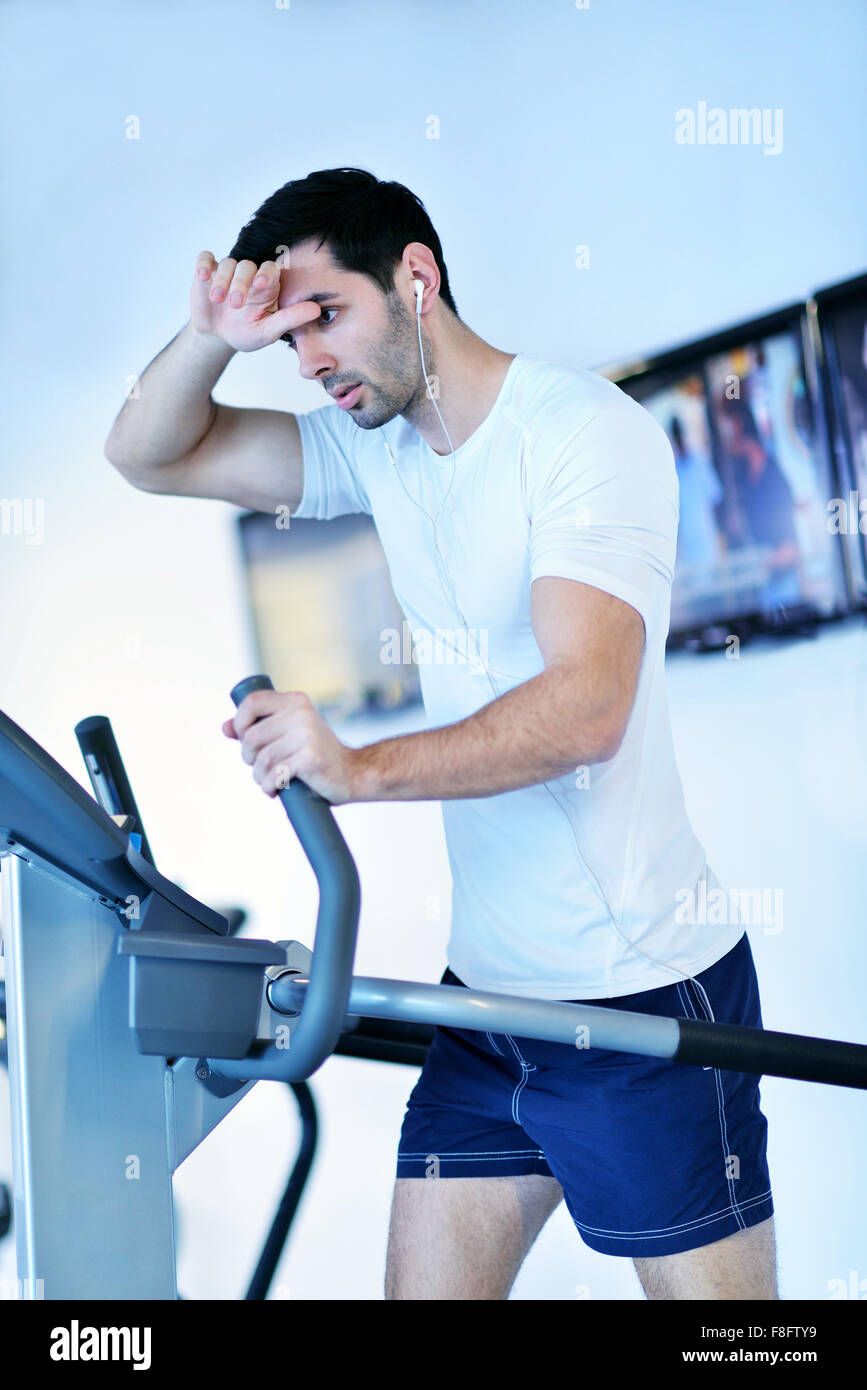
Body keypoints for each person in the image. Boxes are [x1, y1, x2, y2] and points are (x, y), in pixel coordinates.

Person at [104, 167, 777, 1301]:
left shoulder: (580, 434)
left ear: (415, 278)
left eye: (327, 315)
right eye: (290, 337)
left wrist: (356, 769)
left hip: (638, 995)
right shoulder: (377, 449)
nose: (310, 358)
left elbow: (587, 709)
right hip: (488, 1001)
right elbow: (149, 454)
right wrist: (209, 335)